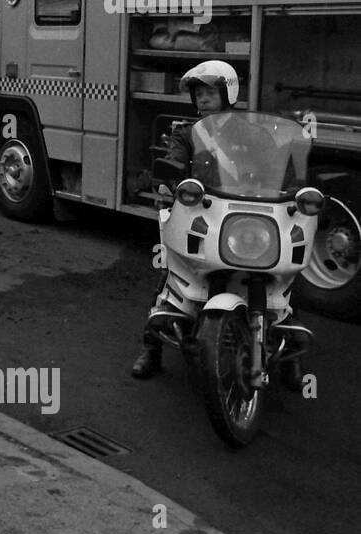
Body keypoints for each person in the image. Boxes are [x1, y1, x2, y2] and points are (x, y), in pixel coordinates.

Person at [130, 60, 307, 388]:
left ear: (228, 93)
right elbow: (175, 161)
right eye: (198, 93)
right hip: (203, 212)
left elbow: (277, 168)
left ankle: (294, 358)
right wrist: (168, 178)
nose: (203, 99)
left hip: (249, 212)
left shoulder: (253, 132)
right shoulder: (185, 133)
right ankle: (150, 348)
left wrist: (288, 188)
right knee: (170, 276)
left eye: (210, 91)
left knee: (281, 279)